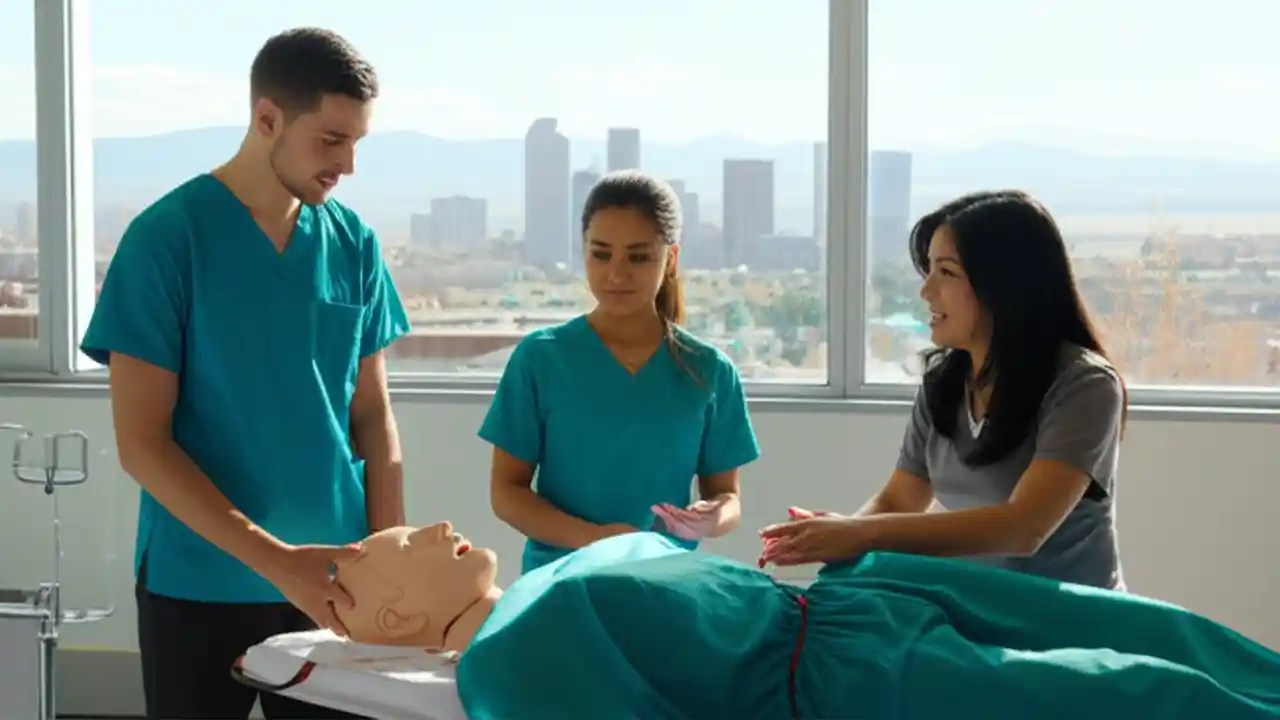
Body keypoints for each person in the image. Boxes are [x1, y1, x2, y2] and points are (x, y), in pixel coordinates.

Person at [80, 27, 409, 719]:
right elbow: (143, 443)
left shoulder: (354, 244)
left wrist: (392, 564)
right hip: (196, 583)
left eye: (357, 142)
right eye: (330, 140)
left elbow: (373, 419)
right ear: (267, 119)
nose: (347, 164)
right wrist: (277, 559)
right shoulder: (167, 241)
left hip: (337, 587)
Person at [327, 522, 1280, 720]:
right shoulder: (506, 669)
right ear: (396, 614)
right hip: (842, 681)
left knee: (1153, 629)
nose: (437, 525)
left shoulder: (559, 576)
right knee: (1133, 695)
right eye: (394, 543)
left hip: (860, 599)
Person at [762, 189, 1130, 590]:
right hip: (972, 607)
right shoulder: (944, 382)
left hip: (1066, 619)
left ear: (1003, 285)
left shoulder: (1085, 385)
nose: (926, 291)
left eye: (947, 272)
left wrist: (860, 534)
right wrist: (837, 536)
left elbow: (1024, 527)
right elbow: (899, 501)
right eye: (929, 271)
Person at [479, 170, 760, 574]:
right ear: (584, 252)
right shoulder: (540, 359)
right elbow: (506, 493)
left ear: (671, 259)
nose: (617, 273)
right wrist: (596, 541)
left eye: (639, 256)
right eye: (602, 253)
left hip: (663, 583)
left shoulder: (709, 371)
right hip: (558, 584)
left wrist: (709, 517)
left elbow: (728, 499)